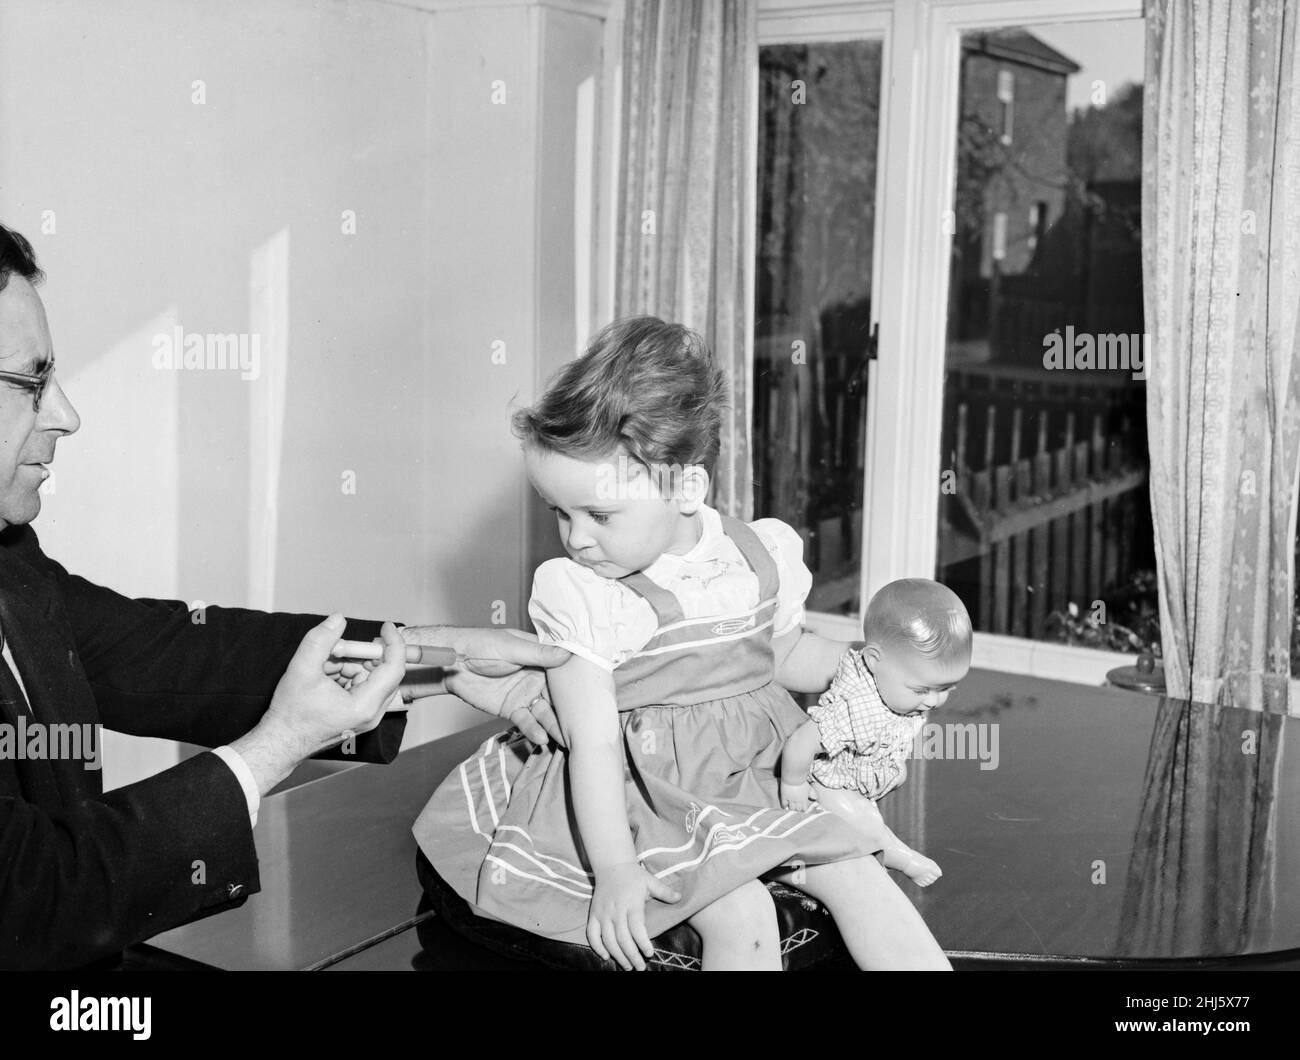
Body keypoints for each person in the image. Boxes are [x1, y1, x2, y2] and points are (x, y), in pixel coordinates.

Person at [0, 223, 568, 970]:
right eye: (30, 381)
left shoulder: (12, 564)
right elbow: (32, 895)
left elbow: (172, 653)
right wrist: (276, 748)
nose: (66, 413)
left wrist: (438, 654)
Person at [414, 317, 951, 970]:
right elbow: (595, 739)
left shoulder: (758, 552)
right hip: (638, 795)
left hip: (746, 775)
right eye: (561, 512)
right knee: (741, 912)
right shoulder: (583, 591)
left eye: (600, 515)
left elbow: (784, 653)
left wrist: (868, 671)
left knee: (861, 874)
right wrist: (614, 870)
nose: (576, 538)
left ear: (686, 486)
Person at [779, 578, 972, 887]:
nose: (933, 701)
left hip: (863, 774)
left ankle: (864, 854)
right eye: (922, 689)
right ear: (873, 661)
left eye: (946, 689)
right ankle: (898, 855)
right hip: (828, 780)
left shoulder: (901, 689)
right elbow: (801, 742)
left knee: (863, 819)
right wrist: (793, 783)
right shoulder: (853, 708)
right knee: (863, 821)